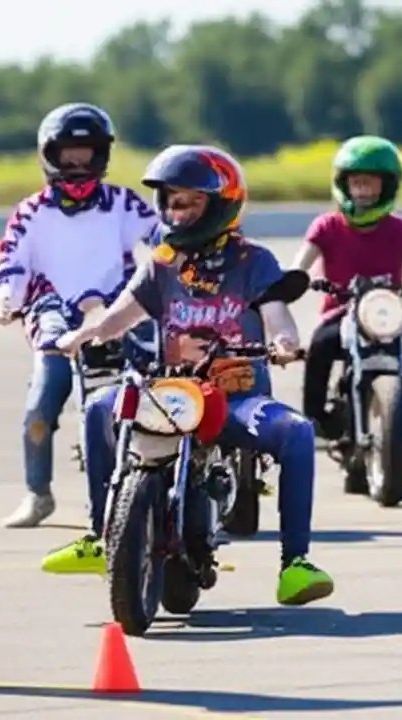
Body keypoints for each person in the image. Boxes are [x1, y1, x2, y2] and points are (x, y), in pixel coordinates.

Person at [56, 144, 335, 607]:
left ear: (221, 203)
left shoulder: (253, 261)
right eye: (169, 201)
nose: (175, 211)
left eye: (188, 201)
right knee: (98, 408)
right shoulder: (161, 262)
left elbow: (277, 315)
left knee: (298, 433)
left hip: (235, 395)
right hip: (168, 391)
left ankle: (295, 563)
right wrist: (81, 335)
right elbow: (118, 316)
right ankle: (98, 535)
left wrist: (285, 342)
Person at [0, 103, 160, 561]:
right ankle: (37, 492)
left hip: (115, 310)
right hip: (55, 317)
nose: (78, 167)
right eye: (68, 157)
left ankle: (151, 486)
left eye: (87, 156)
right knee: (40, 408)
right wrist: (5, 300)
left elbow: (163, 237)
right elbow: (12, 265)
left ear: (102, 156)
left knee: (150, 393)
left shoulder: (124, 203)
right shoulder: (29, 212)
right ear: (49, 156)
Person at [290, 135, 402, 448]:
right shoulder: (326, 226)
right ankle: (313, 421)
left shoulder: (400, 229)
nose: (364, 192)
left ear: (388, 186)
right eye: (357, 183)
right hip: (340, 315)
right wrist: (293, 280)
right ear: (344, 185)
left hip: (388, 317)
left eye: (371, 184)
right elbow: (300, 265)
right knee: (319, 344)